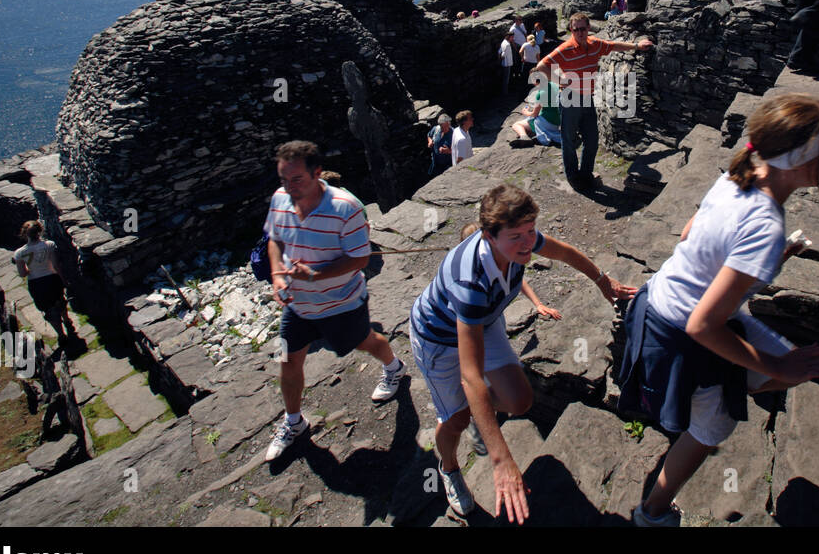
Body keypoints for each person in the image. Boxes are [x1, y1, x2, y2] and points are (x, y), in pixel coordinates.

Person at [618, 94, 819, 526]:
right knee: (711, 429)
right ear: (799, 159)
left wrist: (759, 265)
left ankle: (735, 385)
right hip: (683, 333)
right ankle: (652, 513)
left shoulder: (735, 178)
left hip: (660, 300)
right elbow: (704, 325)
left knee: (776, 369)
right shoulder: (765, 225)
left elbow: (688, 237)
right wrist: (781, 365)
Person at [409, 184, 635, 520]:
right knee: (456, 418)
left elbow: (566, 253)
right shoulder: (470, 281)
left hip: (484, 321)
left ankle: (477, 413)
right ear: (489, 235)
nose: (528, 242)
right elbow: (471, 374)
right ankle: (450, 467)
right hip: (438, 339)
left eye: (530, 231)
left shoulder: (519, 241)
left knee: (518, 401)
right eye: (516, 236)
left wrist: (602, 280)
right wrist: (501, 460)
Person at [263, 141, 406, 462]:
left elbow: (359, 259)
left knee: (367, 342)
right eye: (284, 180)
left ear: (317, 173)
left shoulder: (346, 207)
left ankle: (395, 368)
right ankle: (294, 421)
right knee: (288, 361)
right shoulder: (280, 199)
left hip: (342, 303)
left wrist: (315, 274)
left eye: (296, 179)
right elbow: (274, 238)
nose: (289, 187)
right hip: (299, 306)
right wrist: (276, 274)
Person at [533, 13, 653, 190]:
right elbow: (542, 66)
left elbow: (613, 46)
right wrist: (560, 81)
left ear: (588, 28)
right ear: (571, 31)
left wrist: (636, 45)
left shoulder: (595, 45)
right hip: (569, 98)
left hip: (588, 98)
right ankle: (574, 177)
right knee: (568, 139)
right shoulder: (565, 48)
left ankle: (586, 173)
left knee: (592, 139)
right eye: (575, 30)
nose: (579, 33)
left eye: (582, 29)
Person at [13, 221, 78, 345]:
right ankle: (66, 320)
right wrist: (63, 279)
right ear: (39, 231)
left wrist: (30, 267)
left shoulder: (20, 253)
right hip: (52, 278)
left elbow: (22, 274)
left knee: (48, 308)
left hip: (36, 283)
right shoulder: (49, 245)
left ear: (25, 234)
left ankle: (61, 334)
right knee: (60, 300)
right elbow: (55, 265)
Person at [510, 76, 562, 147]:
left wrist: (525, 111)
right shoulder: (554, 85)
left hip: (546, 122)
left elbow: (534, 114)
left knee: (517, 125)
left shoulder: (541, 93)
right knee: (529, 121)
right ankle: (533, 132)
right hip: (557, 121)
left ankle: (524, 137)